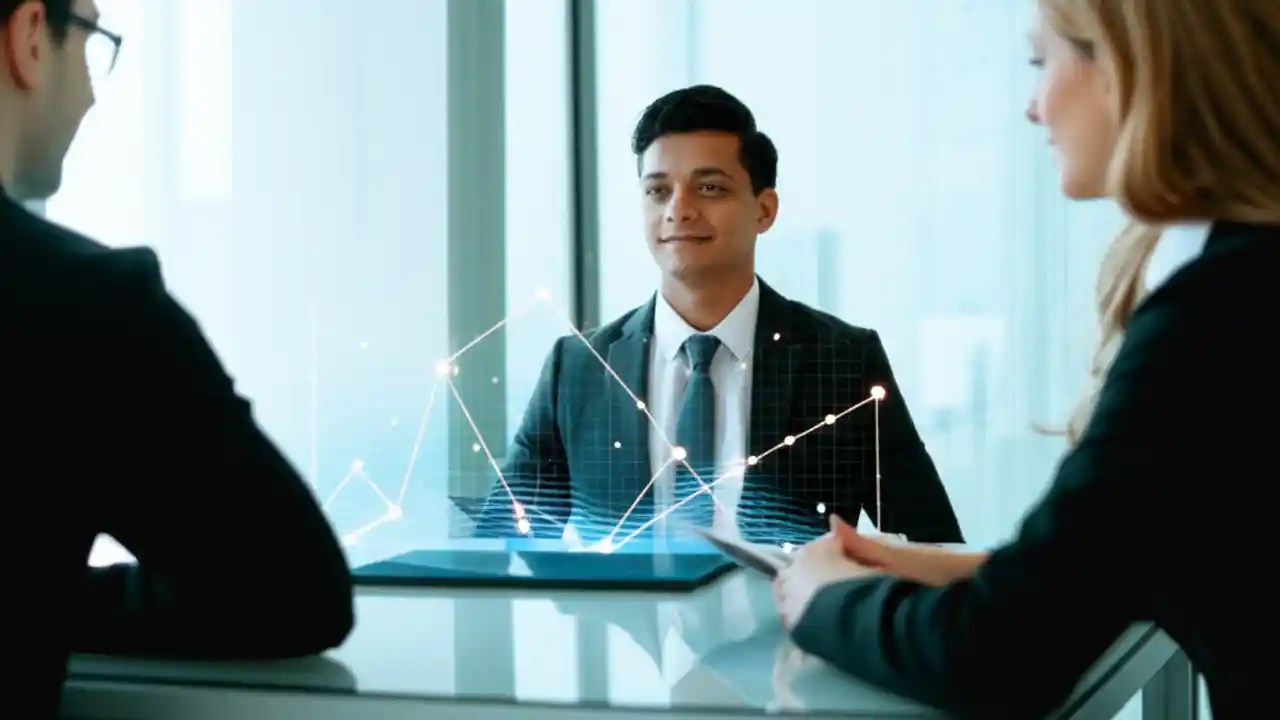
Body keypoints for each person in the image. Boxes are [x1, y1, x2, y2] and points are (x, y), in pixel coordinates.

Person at [772, 0, 1279, 716]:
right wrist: (948, 569)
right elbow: (1145, 555)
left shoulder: (1219, 311)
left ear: (1131, 60)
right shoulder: (1242, 280)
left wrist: (827, 600)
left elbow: (997, 657)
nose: (1033, 107)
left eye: (1042, 62)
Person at [1, 0, 355, 715]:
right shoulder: (82, 306)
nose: (92, 94)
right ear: (33, 36)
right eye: (92, 39)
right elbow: (293, 590)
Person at [476, 85, 963, 547]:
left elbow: (933, 547)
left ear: (764, 210)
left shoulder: (844, 361)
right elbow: (497, 548)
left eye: (709, 188)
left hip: (790, 612)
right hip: (627, 613)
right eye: (657, 191)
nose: (678, 210)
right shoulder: (579, 368)